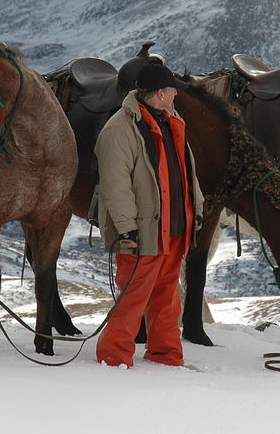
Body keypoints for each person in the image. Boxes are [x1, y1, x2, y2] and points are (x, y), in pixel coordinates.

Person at [94, 63, 203, 367]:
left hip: (173, 227)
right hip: (142, 232)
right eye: (171, 90)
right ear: (160, 94)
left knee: (167, 298)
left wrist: (198, 210)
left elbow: (186, 173)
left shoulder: (172, 120)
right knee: (133, 297)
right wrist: (127, 229)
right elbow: (116, 186)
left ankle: (165, 353)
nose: (175, 95)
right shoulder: (119, 129)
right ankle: (113, 357)